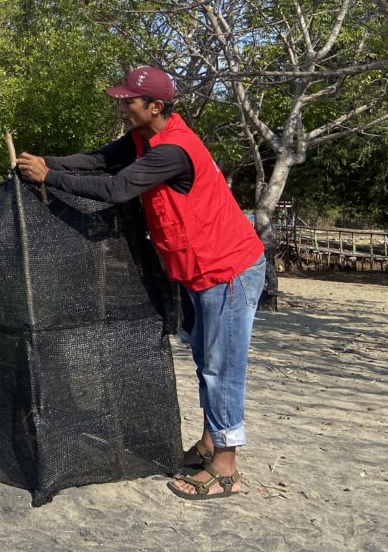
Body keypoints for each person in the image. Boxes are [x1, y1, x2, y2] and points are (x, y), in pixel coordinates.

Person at [16, 66, 266, 501]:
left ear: (155, 107)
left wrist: (50, 178)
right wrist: (46, 163)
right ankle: (210, 444)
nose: (120, 105)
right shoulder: (142, 138)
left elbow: (116, 187)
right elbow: (99, 160)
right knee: (208, 362)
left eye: (128, 100)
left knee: (221, 369)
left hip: (227, 270)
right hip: (197, 270)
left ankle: (226, 467)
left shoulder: (173, 150)